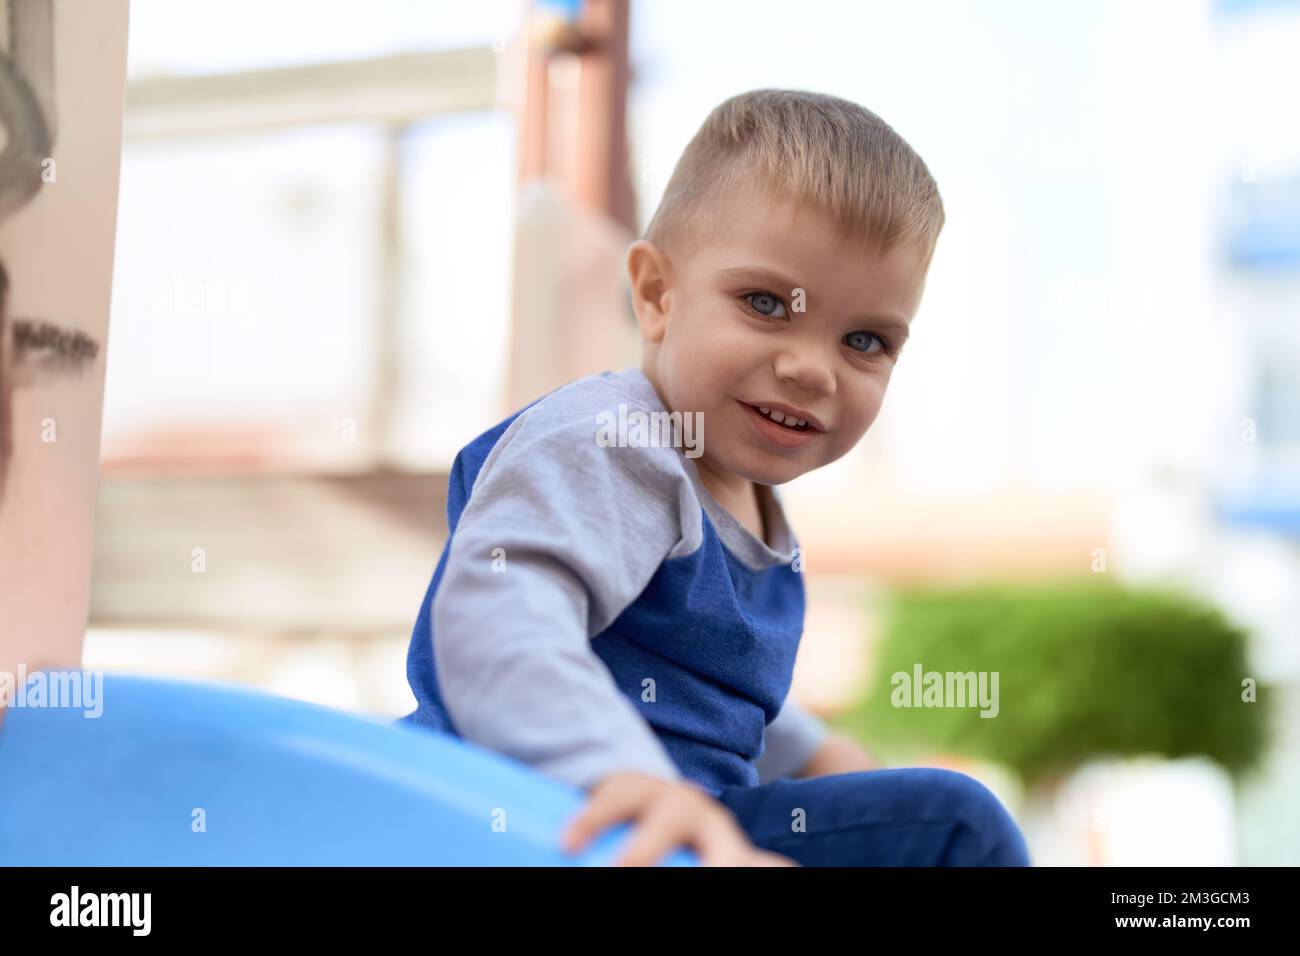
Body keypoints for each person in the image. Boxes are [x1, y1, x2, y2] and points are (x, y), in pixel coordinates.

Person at [401, 89, 1030, 867]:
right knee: (952, 829)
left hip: (688, 818)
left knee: (920, 811)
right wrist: (621, 774)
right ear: (659, 296)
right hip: (521, 814)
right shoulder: (617, 440)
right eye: (765, 303)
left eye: (864, 339)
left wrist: (805, 751)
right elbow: (497, 615)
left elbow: (708, 689)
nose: (810, 369)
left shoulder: (745, 498)